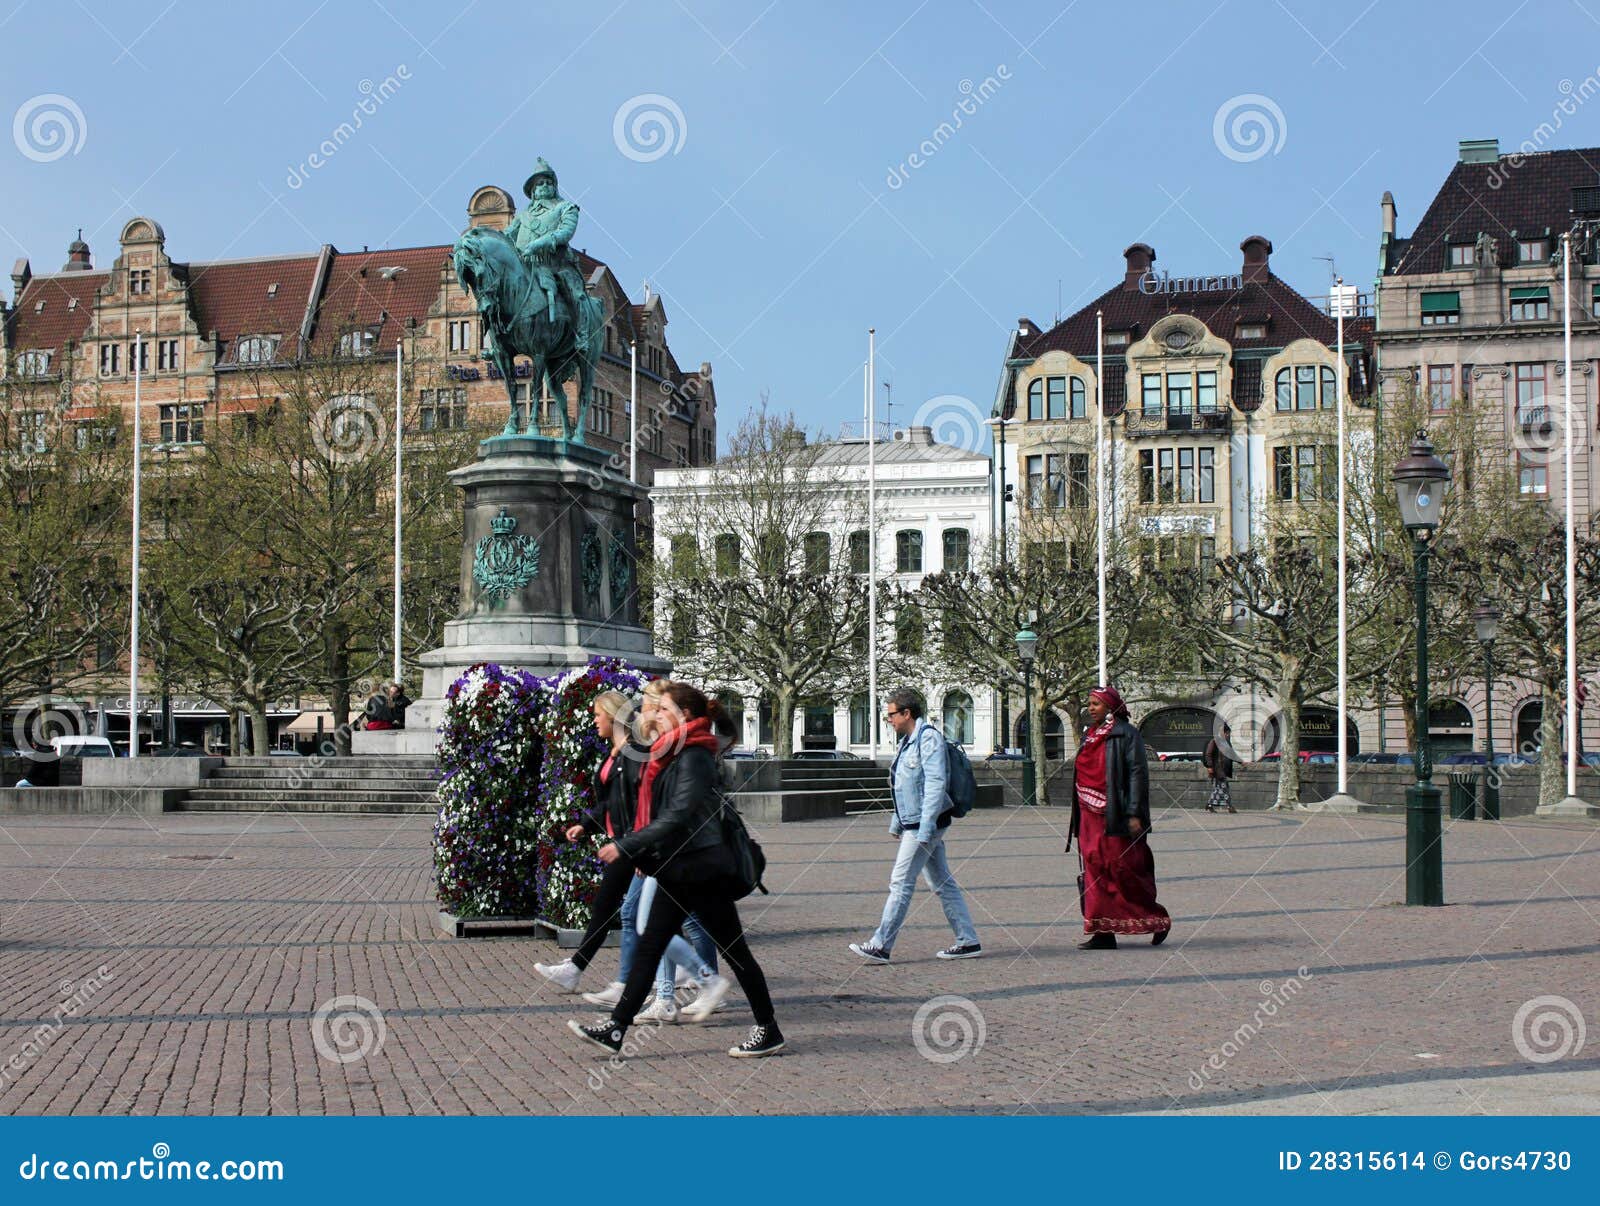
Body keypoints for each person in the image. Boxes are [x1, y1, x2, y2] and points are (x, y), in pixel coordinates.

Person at [568, 682, 785, 1059]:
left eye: (662, 709)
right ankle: (618, 1029)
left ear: (683, 715)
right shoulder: (673, 753)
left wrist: (625, 845)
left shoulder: (694, 756)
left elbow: (678, 815)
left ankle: (767, 1029)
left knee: (735, 953)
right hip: (679, 867)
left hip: (702, 869)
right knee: (652, 944)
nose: (654, 714)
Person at [849, 688, 981, 964]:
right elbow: (904, 785)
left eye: (891, 715)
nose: (889, 720)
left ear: (907, 713)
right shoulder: (908, 740)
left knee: (901, 882)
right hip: (916, 822)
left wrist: (925, 828)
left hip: (925, 823)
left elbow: (935, 784)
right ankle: (968, 940)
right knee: (942, 882)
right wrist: (897, 822)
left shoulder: (927, 738)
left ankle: (881, 944)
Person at [1067, 686, 1171, 949]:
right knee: (1094, 870)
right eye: (1089, 704)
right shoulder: (1088, 736)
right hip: (1088, 814)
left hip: (1115, 813)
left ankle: (1155, 918)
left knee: (1123, 868)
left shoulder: (1126, 735)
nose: (1090, 708)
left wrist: (1134, 812)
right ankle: (1103, 932)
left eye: (1096, 704)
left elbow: (1137, 774)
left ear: (1111, 707)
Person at [1204, 723, 1237, 813]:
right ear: (1223, 733)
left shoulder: (1226, 743)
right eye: (1227, 733)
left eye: (1228, 734)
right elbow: (1208, 754)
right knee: (1224, 787)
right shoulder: (1214, 741)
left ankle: (1209, 805)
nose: (1228, 735)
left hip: (1224, 770)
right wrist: (1210, 766)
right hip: (1218, 769)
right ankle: (1230, 807)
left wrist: (1241, 762)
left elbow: (1232, 754)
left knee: (1218, 788)